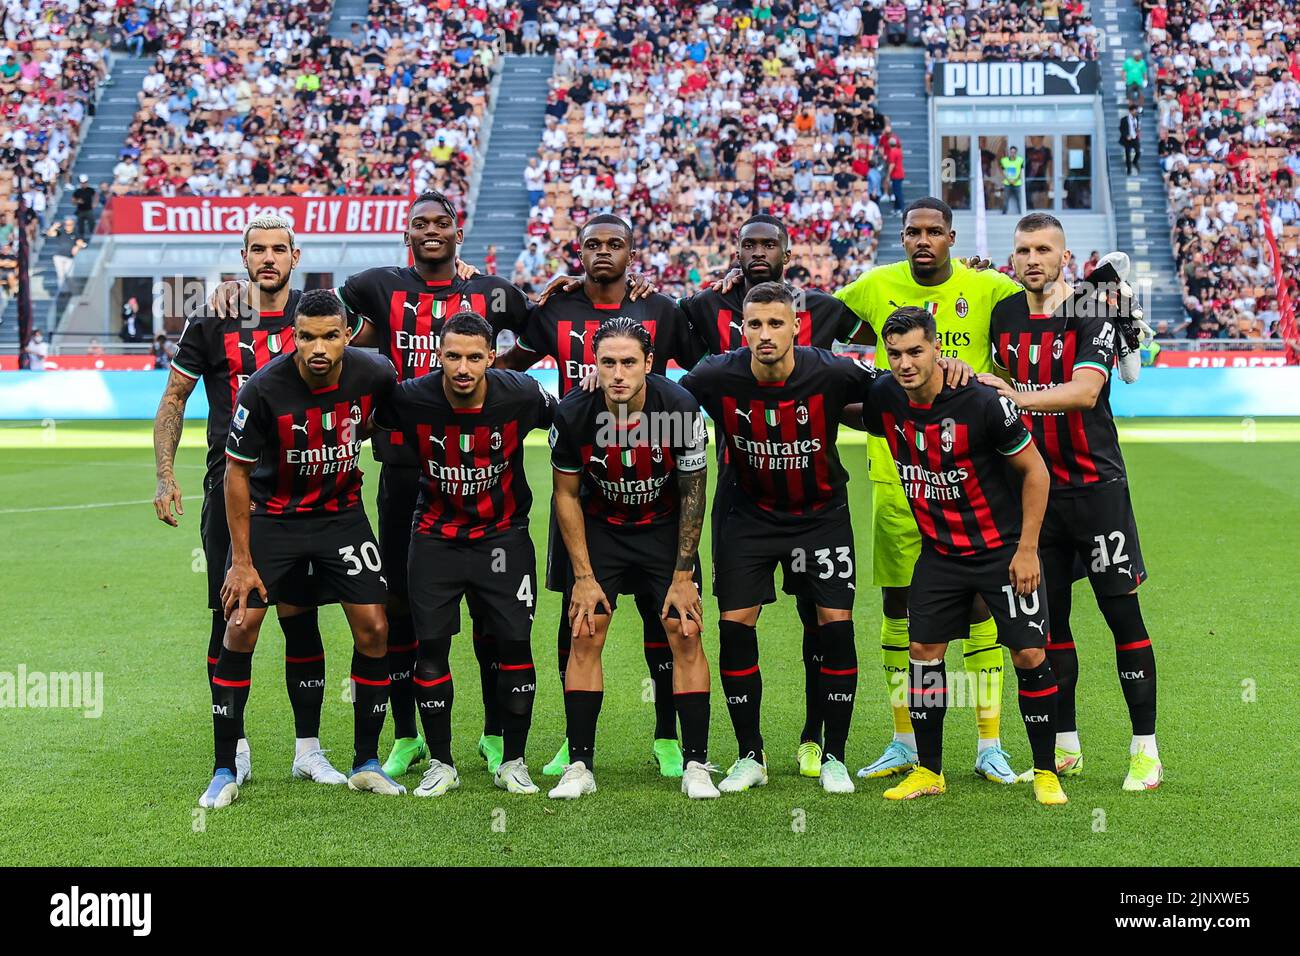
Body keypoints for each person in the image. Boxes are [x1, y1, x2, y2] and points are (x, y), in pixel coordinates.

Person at [834, 197, 1026, 784]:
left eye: (934, 232)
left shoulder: (990, 288)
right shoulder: (872, 287)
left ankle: (988, 743)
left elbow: (1023, 351)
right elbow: (811, 330)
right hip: (897, 477)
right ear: (902, 238)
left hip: (974, 482)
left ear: (951, 236)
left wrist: (986, 378)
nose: (923, 241)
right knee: (899, 609)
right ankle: (904, 740)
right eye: (913, 232)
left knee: (982, 612)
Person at [499, 214, 696, 778]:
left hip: (652, 488)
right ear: (578, 252)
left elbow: (706, 359)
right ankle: (573, 743)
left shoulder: (659, 310)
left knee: (666, 621)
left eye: (615, 245)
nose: (603, 253)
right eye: (593, 245)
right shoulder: (554, 310)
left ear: (633, 253)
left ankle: (668, 736)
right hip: (583, 492)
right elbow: (512, 368)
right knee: (576, 620)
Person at [979, 213, 1162, 791]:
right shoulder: (1003, 313)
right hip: (1033, 497)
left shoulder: (1090, 309)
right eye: (1022, 250)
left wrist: (1015, 395)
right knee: (1049, 625)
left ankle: (1145, 751)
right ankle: (1065, 743)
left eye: (1043, 249)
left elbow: (1086, 393)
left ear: (1065, 256)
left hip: (1095, 491)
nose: (1032, 259)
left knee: (1121, 616)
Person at [857, 305, 1068, 806]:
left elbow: (1036, 472)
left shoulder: (980, 401)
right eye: (896, 353)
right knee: (923, 655)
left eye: (916, 351)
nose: (905, 362)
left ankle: (1044, 772)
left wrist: (1028, 550)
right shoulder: (884, 397)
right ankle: (929, 769)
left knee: (1030, 654)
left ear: (937, 349)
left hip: (1002, 552)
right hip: (941, 554)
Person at [157, 215, 339, 791]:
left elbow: (378, 336)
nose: (267, 258)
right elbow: (174, 398)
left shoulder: (318, 318)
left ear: (295, 254)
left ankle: (308, 751)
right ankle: (232, 751)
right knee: (232, 619)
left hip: (304, 489)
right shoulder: (212, 319)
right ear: (243, 255)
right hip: (231, 488)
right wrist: (165, 476)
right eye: (257, 249)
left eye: (277, 249)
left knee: (300, 618)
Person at [202, 289, 400, 809]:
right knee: (241, 624)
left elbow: (387, 416)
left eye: (330, 336)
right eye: (307, 336)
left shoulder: (373, 373)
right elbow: (236, 474)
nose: (318, 347)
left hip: (341, 516)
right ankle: (225, 767)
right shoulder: (263, 389)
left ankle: (366, 762)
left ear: (347, 335)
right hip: (275, 519)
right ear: (293, 335)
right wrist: (241, 563)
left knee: (375, 626)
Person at [686, 213, 868, 778]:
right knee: (736, 625)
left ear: (796, 327)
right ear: (742, 329)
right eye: (754, 324)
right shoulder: (716, 374)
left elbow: (898, 394)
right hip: (746, 514)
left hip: (821, 514)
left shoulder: (833, 373)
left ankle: (832, 754)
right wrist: (601, 381)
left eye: (776, 324)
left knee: (834, 624)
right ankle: (750, 755)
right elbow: (659, 398)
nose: (765, 334)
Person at [371, 311, 557, 797]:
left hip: (503, 536)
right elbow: (364, 415)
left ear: (491, 358)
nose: (463, 367)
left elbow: (569, 419)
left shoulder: (520, 393)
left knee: (515, 644)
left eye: (475, 357)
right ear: (438, 355)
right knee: (430, 647)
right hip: (435, 537)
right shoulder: (410, 397)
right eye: (452, 355)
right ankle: (441, 763)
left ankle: (513, 761)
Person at [547, 318, 718, 800]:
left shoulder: (680, 408)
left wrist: (683, 575)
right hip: (603, 530)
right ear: (594, 365)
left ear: (648, 363)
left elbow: (693, 492)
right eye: (607, 362)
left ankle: (696, 764)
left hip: (663, 532)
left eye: (628, 362)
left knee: (685, 632)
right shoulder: (574, 413)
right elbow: (566, 495)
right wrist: (582, 575)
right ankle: (579, 765)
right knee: (585, 631)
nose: (618, 373)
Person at [1000, 146, 1024, 215]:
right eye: (1011, 152)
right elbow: (1003, 171)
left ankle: (1021, 214)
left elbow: (1021, 172)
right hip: (1007, 183)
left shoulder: (1020, 160)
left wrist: (1015, 180)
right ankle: (1004, 214)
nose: (1012, 153)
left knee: (1019, 199)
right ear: (1009, 152)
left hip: (1017, 183)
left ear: (1016, 153)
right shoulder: (1004, 160)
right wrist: (1009, 180)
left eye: (1014, 152)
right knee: (1005, 200)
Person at [1120, 104, 1142, 175]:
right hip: (1128, 139)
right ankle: (1129, 170)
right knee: (1128, 154)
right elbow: (1121, 129)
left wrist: (1138, 130)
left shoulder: (1137, 118)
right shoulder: (1124, 119)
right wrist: (1126, 135)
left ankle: (1135, 162)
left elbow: (1137, 126)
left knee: (1138, 152)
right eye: (1135, 111)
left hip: (1135, 138)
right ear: (1131, 111)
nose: (1136, 113)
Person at [73, 175, 96, 240]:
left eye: (85, 182)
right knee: (80, 226)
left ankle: (93, 237)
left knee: (92, 224)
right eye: (82, 183)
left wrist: (94, 204)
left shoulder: (91, 190)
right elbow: (73, 201)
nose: (83, 184)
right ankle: (81, 239)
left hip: (89, 210)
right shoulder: (77, 191)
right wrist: (78, 201)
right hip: (80, 211)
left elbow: (96, 196)